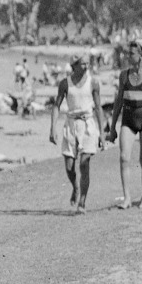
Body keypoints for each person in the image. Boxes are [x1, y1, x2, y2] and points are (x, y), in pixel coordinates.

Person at [106, 38, 142, 210]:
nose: (127, 56)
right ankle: (127, 198)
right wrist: (112, 127)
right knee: (124, 157)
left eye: (131, 53)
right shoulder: (124, 75)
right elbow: (118, 102)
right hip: (128, 120)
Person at [49, 55, 105, 213]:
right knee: (69, 166)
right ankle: (75, 187)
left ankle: (82, 202)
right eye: (82, 64)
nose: (86, 66)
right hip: (71, 124)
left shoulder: (93, 82)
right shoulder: (65, 83)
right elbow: (56, 106)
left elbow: (99, 107)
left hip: (88, 124)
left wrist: (102, 133)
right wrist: (52, 128)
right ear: (74, 66)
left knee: (84, 163)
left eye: (87, 63)